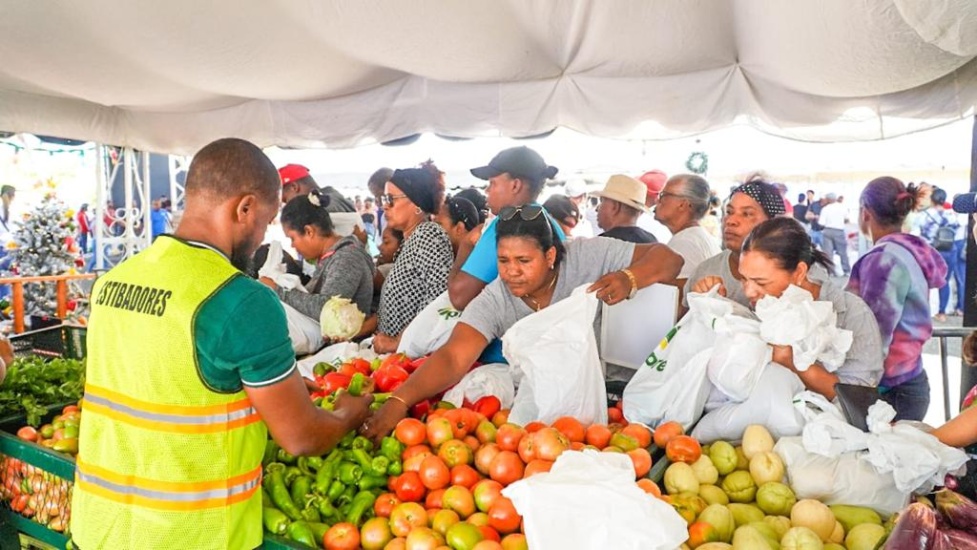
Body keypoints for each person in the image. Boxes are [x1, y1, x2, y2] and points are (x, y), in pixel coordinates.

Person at [70, 138, 372, 550]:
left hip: (100, 527)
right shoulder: (241, 298)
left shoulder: (112, 282)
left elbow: (165, 379)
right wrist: (346, 417)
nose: (263, 235)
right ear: (244, 207)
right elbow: (300, 437)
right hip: (192, 535)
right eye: (265, 221)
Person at [361, 204, 683, 441]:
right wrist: (399, 399)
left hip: (613, 395)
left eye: (524, 261)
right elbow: (453, 355)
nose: (512, 271)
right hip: (543, 414)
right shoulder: (497, 297)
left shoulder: (586, 255)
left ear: (552, 256)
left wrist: (630, 277)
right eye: (503, 261)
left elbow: (670, 259)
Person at [738, 217, 883, 399]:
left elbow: (860, 397)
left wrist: (793, 363)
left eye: (761, 282)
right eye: (743, 278)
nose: (749, 291)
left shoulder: (852, 314)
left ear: (799, 272)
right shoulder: (755, 304)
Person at [846, 177, 946, 421]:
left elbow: (874, 334)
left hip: (890, 390)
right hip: (912, 377)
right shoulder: (913, 249)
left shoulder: (883, 261)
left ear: (865, 213)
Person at [447, 146, 562, 311]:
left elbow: (459, 298)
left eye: (492, 183)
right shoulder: (549, 221)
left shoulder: (506, 225)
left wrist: (466, 243)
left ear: (515, 185)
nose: (487, 190)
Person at [260, 190, 376, 351]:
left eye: (292, 238)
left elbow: (327, 308)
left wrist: (278, 289)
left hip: (345, 352)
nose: (293, 246)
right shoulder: (332, 256)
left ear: (309, 231)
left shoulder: (347, 258)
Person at [373, 161, 454, 353]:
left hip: (411, 356)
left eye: (390, 199)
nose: (385, 206)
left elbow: (439, 297)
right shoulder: (411, 240)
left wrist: (398, 342)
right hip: (398, 355)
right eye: (383, 199)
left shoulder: (428, 234)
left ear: (416, 204)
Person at [687, 178, 791, 307]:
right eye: (729, 212)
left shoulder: (798, 273)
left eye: (746, 214)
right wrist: (701, 302)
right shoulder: (706, 271)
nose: (731, 221)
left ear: (772, 223)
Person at [653, 174, 721, 285]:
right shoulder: (698, 237)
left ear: (683, 204)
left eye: (663, 195)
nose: (657, 200)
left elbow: (675, 297)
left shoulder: (685, 242)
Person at [920, 187, 961, 322]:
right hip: (950, 250)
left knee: (925, 282)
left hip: (932, 252)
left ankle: (924, 313)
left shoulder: (926, 215)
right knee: (945, 281)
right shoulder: (951, 214)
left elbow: (922, 234)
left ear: (932, 200)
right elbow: (956, 228)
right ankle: (942, 313)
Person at [594, 174, 657, 243]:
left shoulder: (601, 244)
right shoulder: (651, 241)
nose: (597, 209)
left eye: (602, 201)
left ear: (615, 207)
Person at [278, 164, 355, 211]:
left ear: (294, 187)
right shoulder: (333, 196)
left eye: (286, 200)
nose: (288, 205)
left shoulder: (323, 206)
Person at [818, 192, 851, 276]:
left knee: (828, 253)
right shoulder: (842, 207)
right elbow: (847, 219)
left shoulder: (825, 209)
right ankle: (846, 271)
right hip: (839, 231)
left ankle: (831, 272)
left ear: (828, 199)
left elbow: (821, 223)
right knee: (842, 252)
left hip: (827, 231)